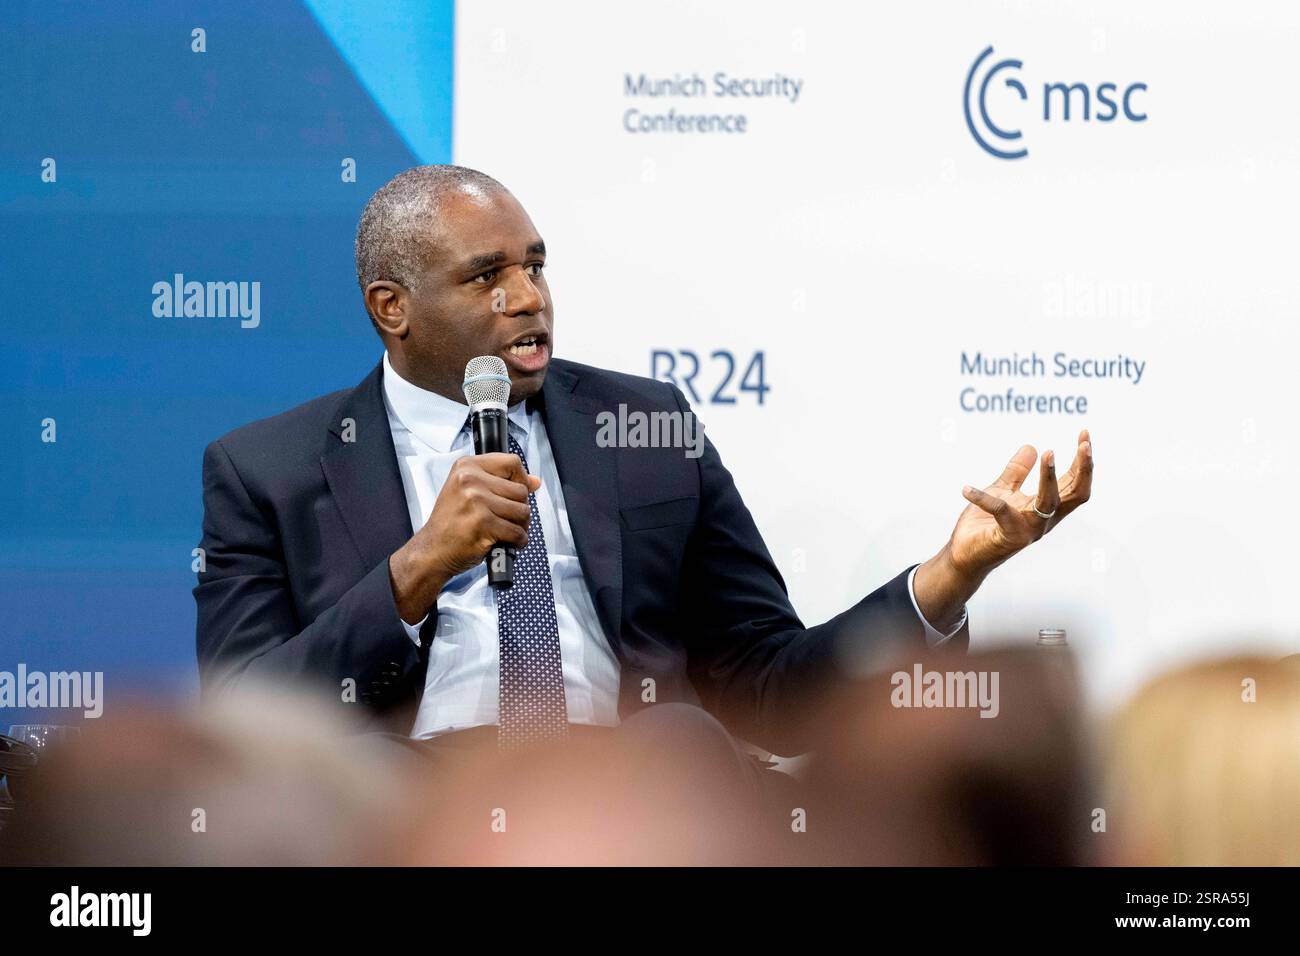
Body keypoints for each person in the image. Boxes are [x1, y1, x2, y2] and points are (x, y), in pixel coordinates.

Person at [193, 165, 1094, 802]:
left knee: (686, 736)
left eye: (536, 266)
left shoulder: (648, 429)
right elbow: (241, 720)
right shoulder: (269, 469)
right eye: (487, 276)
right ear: (392, 308)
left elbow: (772, 687)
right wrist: (413, 573)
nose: (528, 296)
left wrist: (951, 573)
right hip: (409, 798)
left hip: (631, 790)